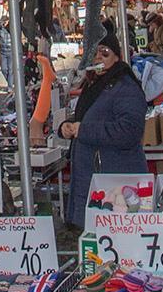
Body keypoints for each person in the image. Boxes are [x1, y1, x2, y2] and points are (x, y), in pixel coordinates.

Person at [58, 40, 146, 228]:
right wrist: (68, 126)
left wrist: (83, 130)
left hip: (114, 181)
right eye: (94, 53)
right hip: (93, 177)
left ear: (117, 57)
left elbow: (129, 131)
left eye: (104, 53)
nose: (98, 57)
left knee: (115, 235)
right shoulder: (96, 85)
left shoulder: (125, 87)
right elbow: (92, 115)